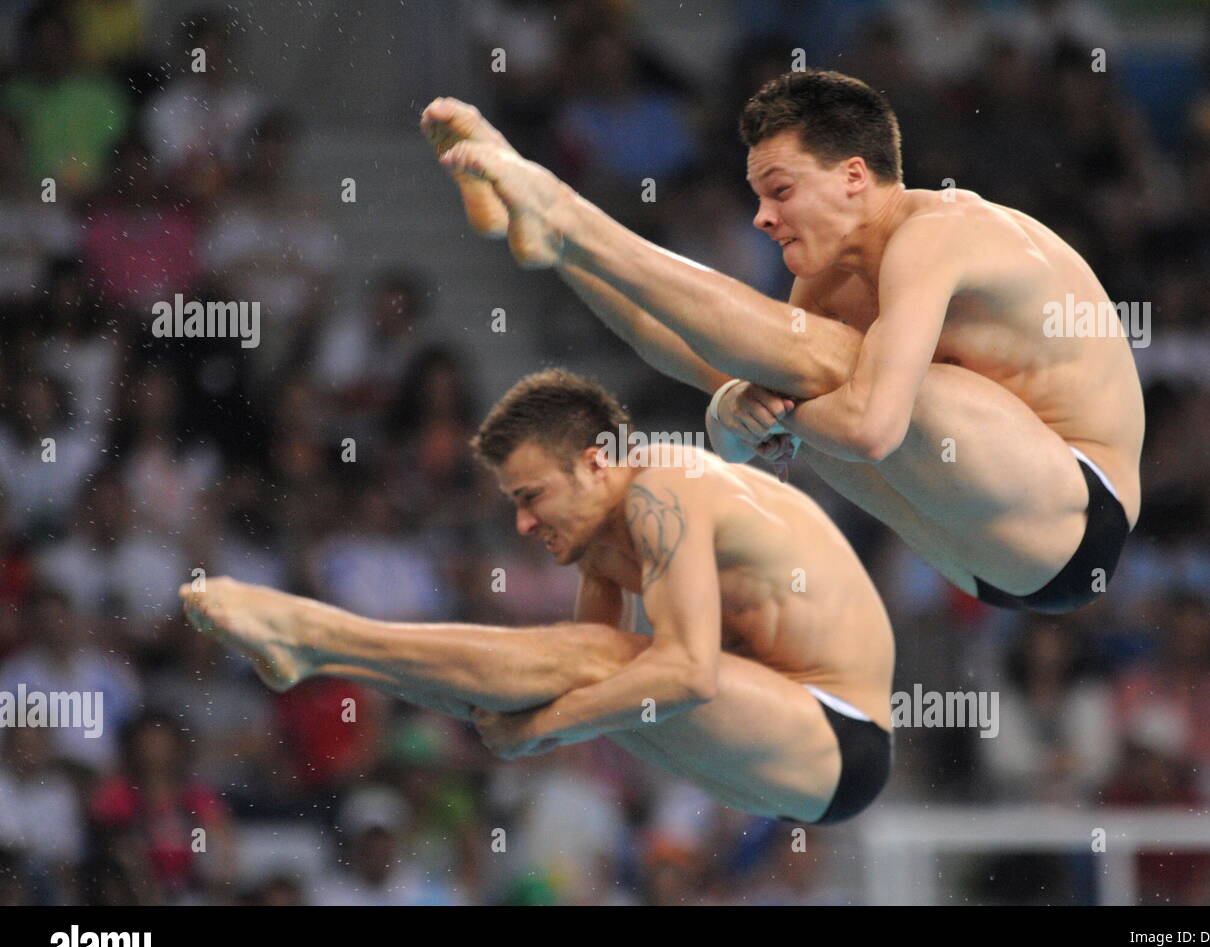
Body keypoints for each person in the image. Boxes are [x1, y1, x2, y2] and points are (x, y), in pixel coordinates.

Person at [423, 68, 1144, 613]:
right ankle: (558, 247)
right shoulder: (829, 281)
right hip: (978, 554)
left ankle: (567, 216)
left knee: (808, 369)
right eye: (758, 198)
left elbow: (867, 428)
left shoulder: (940, 234)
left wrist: (753, 409)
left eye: (781, 191)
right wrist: (737, 413)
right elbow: (763, 440)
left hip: (1077, 513)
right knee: (750, 359)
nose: (763, 219)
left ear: (855, 177)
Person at [180, 370, 894, 824]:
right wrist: (533, 724)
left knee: (584, 672)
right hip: (775, 741)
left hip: (838, 731)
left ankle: (319, 635)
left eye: (532, 498)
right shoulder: (602, 544)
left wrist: (536, 731)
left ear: (593, 464)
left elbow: (686, 674)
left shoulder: (661, 491)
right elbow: (565, 683)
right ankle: (325, 657)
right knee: (551, 680)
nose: (522, 524)